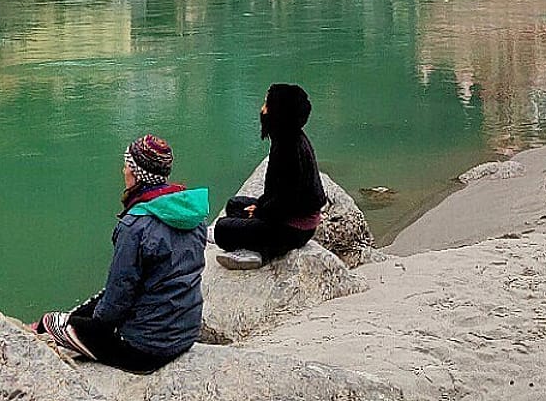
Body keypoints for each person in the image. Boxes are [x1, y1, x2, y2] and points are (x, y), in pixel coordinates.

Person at [34, 135, 208, 372]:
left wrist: (83, 326)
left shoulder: (135, 226)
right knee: (91, 306)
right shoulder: (192, 213)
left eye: (127, 165)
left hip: (146, 349)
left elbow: (118, 298)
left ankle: (38, 330)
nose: (123, 170)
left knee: (51, 322)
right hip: (187, 332)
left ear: (137, 175)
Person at [214, 83, 327, 269]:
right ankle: (257, 244)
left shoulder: (288, 148)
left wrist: (259, 212)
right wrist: (259, 206)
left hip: (293, 229)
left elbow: (286, 202)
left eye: (266, 105)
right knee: (234, 204)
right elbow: (278, 193)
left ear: (278, 112)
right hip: (287, 218)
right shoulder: (289, 138)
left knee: (222, 229)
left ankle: (260, 252)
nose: (262, 109)